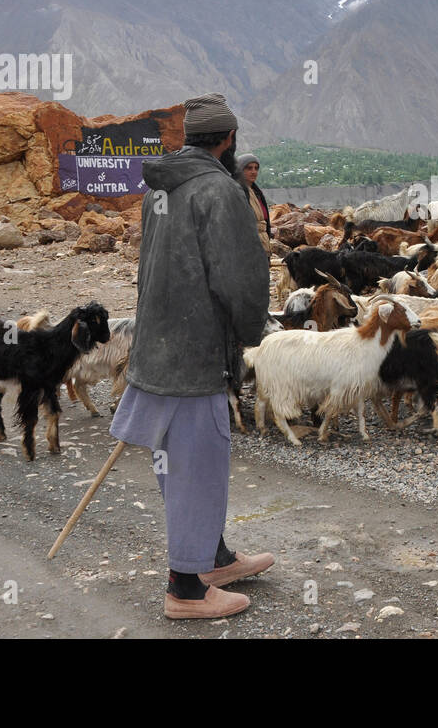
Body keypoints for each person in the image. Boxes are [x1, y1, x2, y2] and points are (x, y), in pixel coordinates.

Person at [110, 92, 274, 619]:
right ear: (226, 141)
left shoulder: (160, 190)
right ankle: (186, 589)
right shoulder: (220, 192)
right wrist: (251, 331)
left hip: (157, 345)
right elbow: (240, 279)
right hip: (193, 354)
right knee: (196, 467)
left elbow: (148, 267)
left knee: (183, 462)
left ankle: (215, 557)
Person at [236, 153, 272, 252]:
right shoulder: (237, 192)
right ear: (240, 170)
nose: (253, 172)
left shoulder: (257, 193)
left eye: (256, 168)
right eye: (249, 168)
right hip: (249, 248)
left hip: (263, 245)